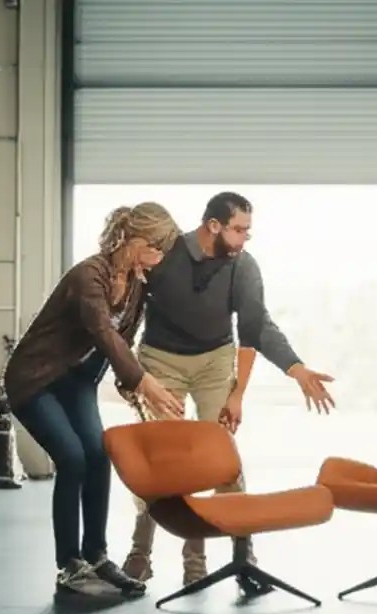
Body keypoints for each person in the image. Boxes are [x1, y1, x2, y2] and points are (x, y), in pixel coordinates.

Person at [120, 191, 336, 591]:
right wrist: (131, 377)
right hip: (160, 361)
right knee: (165, 463)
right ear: (213, 226)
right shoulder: (165, 254)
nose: (244, 239)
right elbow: (128, 314)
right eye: (238, 230)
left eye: (248, 231)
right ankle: (140, 555)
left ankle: (242, 557)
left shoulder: (243, 266)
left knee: (221, 460)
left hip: (215, 363)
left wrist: (292, 370)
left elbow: (255, 329)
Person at [3, 202, 186, 597]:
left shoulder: (137, 285)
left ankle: (97, 557)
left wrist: (132, 392)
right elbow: (103, 332)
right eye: (157, 250)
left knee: (98, 456)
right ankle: (69, 565)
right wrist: (145, 383)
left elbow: (122, 343)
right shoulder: (90, 275)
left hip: (77, 383)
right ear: (138, 242)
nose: (160, 260)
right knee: (72, 458)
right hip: (36, 380)